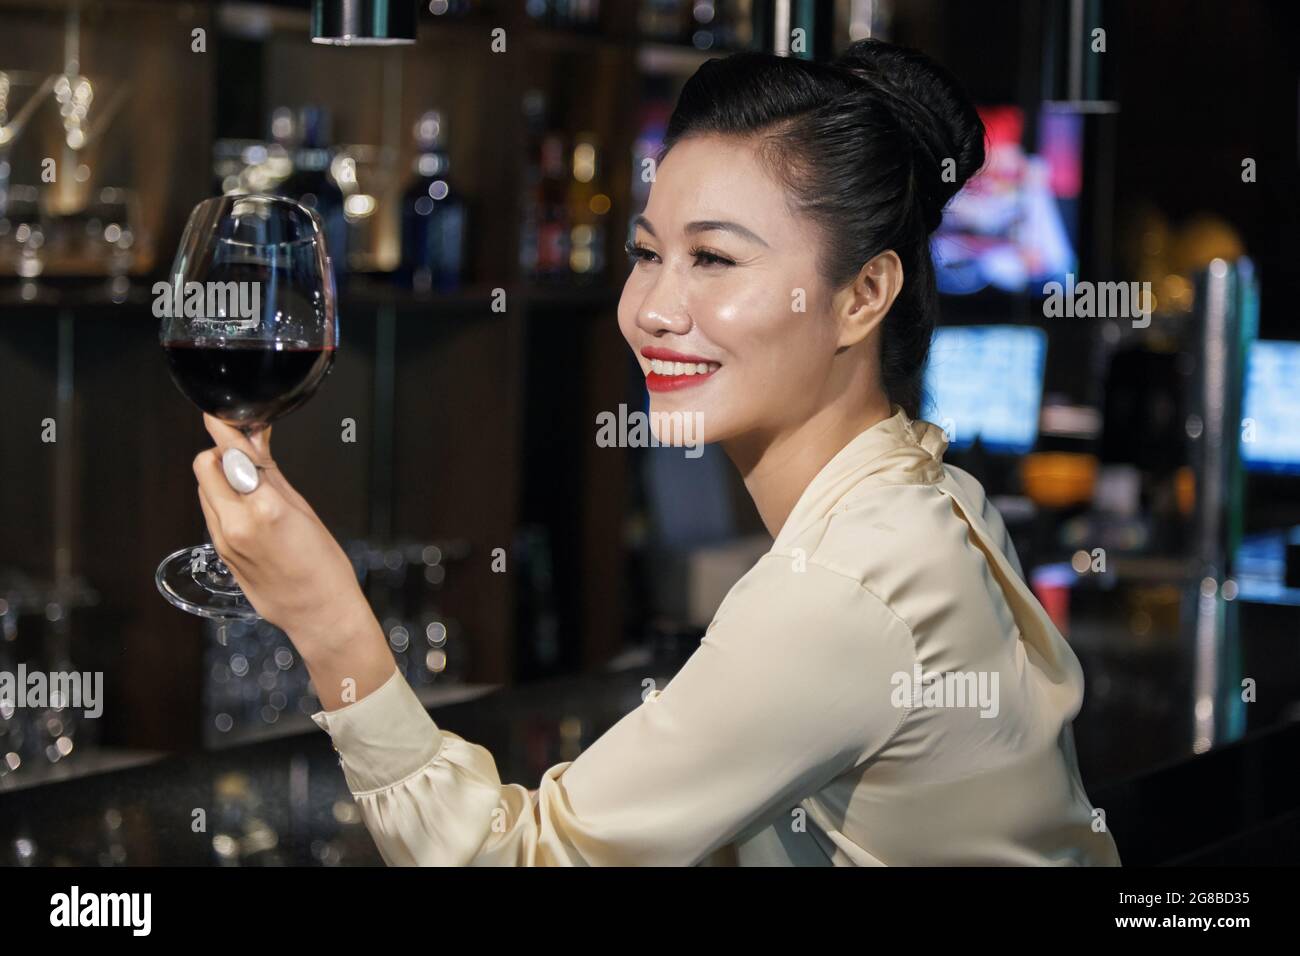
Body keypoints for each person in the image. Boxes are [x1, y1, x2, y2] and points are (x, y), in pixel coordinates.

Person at [192, 39, 1121, 866]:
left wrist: (325, 618)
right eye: (647, 254)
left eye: (713, 260)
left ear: (862, 294)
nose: (653, 311)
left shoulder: (847, 586)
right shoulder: (929, 491)